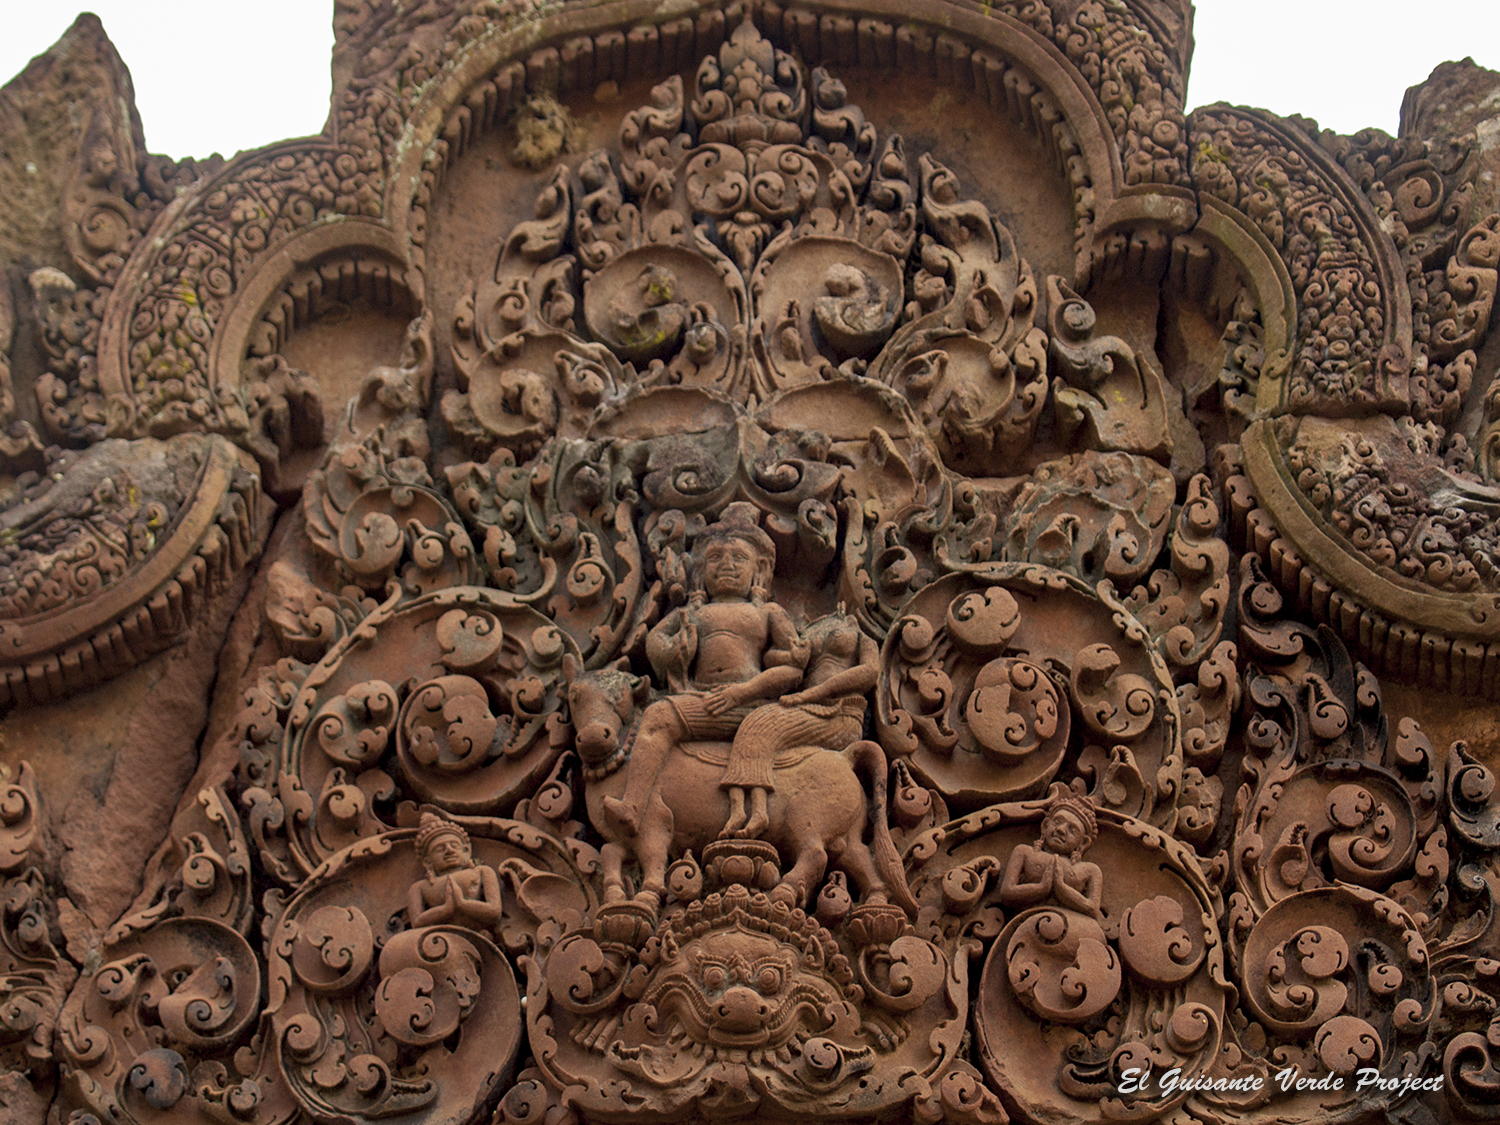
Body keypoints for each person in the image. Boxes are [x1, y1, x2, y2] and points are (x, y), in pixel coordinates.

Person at [601, 503, 806, 835]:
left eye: (739, 559)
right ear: (699, 570)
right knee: (654, 717)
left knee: (660, 717)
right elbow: (655, 642)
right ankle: (633, 806)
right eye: (715, 558)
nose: (726, 566)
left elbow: (794, 670)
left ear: (760, 569)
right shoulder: (693, 613)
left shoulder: (767, 613)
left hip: (749, 706)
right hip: (703, 700)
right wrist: (676, 651)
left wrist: (743, 691)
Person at [719, 608, 879, 839]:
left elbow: (870, 672)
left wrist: (812, 694)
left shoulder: (864, 639)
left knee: (761, 726)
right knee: (755, 721)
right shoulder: (809, 630)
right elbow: (772, 659)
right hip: (806, 706)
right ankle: (743, 809)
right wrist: (793, 656)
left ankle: (756, 812)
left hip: (839, 713)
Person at [998, 784, 1103, 921]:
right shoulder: (1024, 852)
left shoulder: (1090, 870)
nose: (1061, 830)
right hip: (1025, 921)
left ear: (1083, 843)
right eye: (1058, 821)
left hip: (1071, 928)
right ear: (1045, 825)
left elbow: (1092, 909)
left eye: (1072, 830)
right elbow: (1007, 892)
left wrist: (1061, 888)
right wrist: (1041, 888)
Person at [407, 812, 504, 932]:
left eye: (454, 845)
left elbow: (494, 911)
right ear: (428, 862)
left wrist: (463, 904)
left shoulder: (482, 872)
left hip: (480, 934)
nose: (449, 851)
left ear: (466, 851)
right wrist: (446, 909)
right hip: (438, 941)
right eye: (439, 849)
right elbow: (416, 923)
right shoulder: (420, 887)